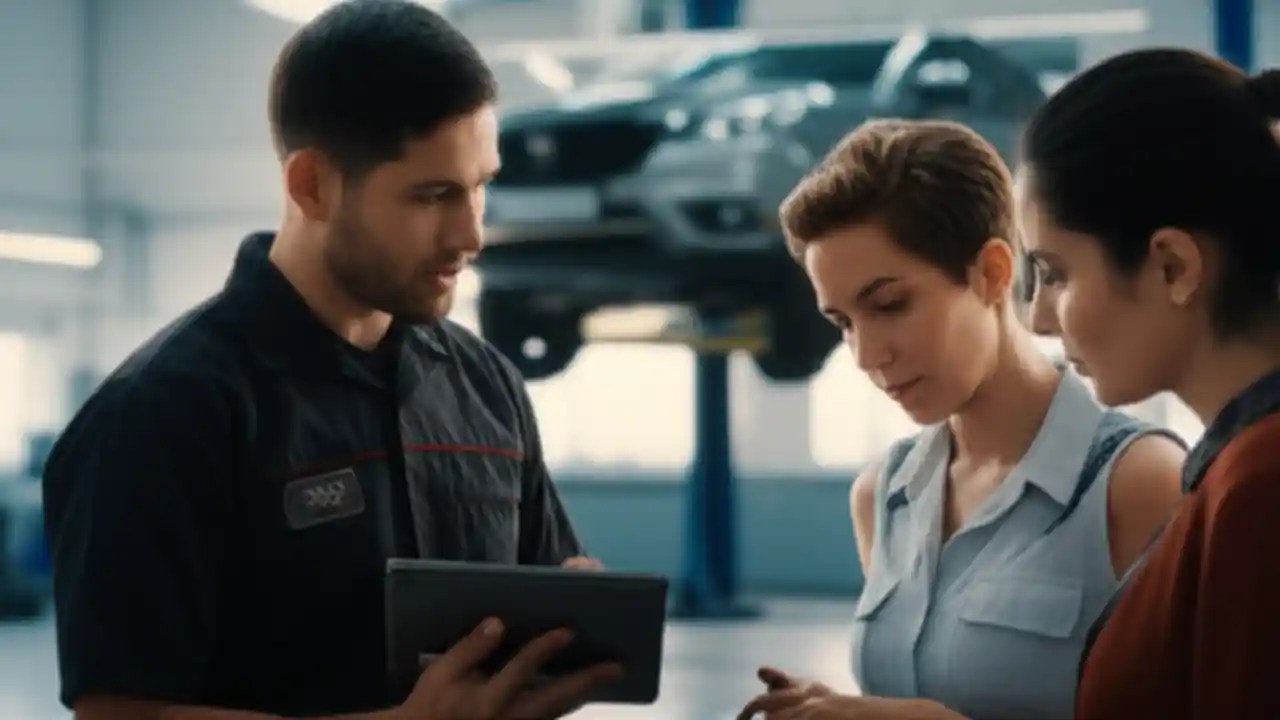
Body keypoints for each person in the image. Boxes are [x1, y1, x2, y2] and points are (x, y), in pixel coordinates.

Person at [40, 1, 622, 718]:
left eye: (481, 186)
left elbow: (539, 597)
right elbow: (120, 713)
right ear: (311, 185)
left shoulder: (488, 387)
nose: (472, 233)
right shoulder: (159, 415)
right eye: (434, 194)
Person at [737, 119, 1186, 720]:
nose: (868, 356)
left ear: (994, 274)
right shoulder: (884, 497)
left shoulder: (1139, 484)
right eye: (843, 322)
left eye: (890, 305)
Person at [1017, 49, 1280, 719]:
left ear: (1171, 266)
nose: (1039, 317)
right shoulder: (1237, 469)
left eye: (1056, 273)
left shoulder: (1259, 486)